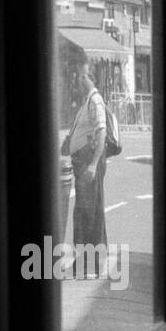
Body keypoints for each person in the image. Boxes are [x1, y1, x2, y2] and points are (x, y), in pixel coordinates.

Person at [66, 63, 108, 276]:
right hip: (82, 163)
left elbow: (101, 132)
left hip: (89, 163)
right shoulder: (87, 102)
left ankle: (91, 266)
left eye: (81, 76)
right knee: (84, 212)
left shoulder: (95, 101)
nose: (78, 80)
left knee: (89, 213)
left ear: (89, 78)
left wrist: (92, 164)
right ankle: (84, 264)